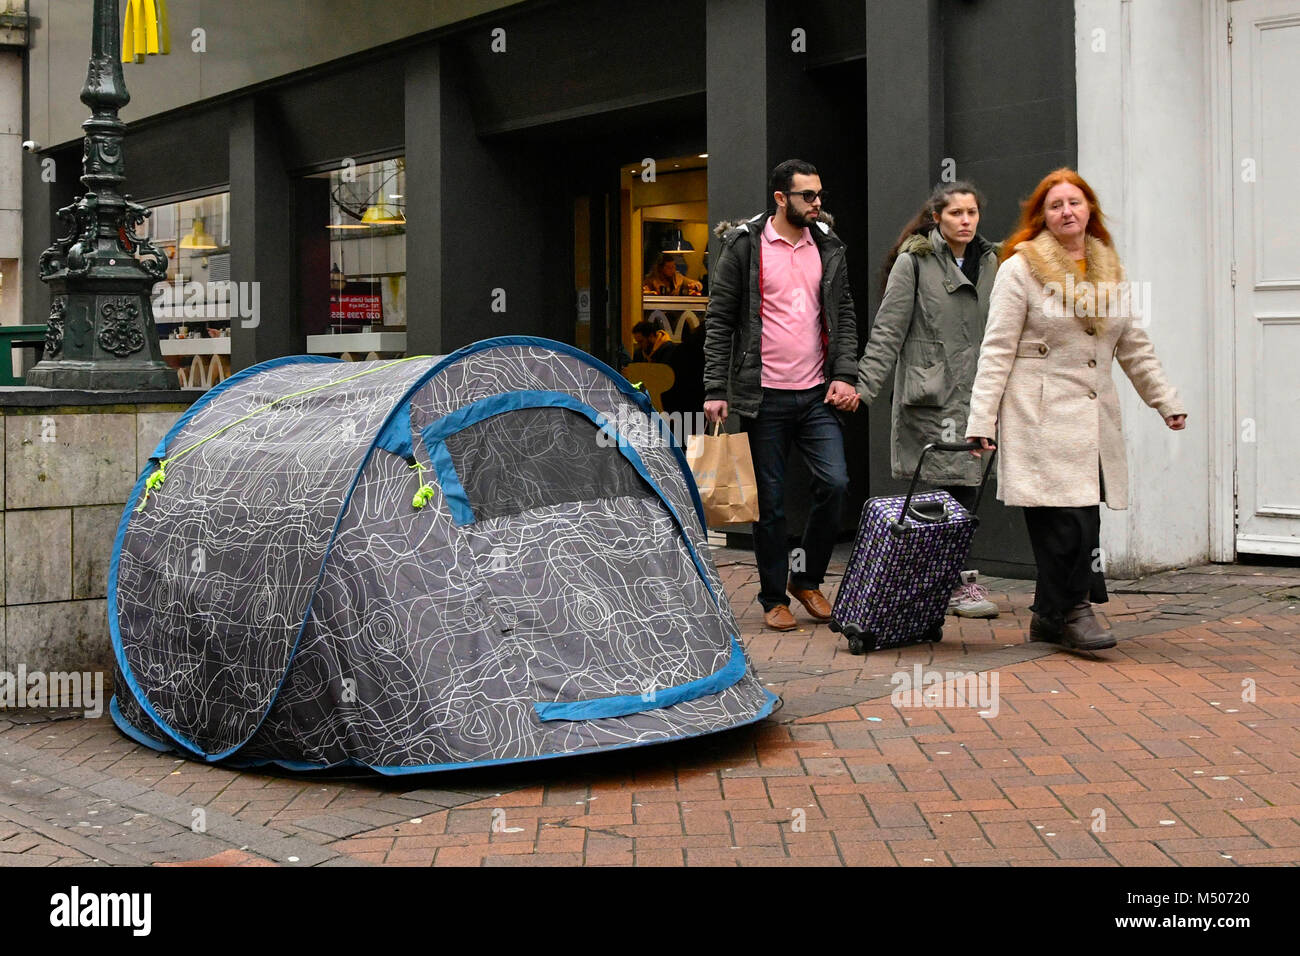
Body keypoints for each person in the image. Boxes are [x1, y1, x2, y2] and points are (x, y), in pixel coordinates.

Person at [965, 167, 1187, 651]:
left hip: (1092, 417)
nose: (1067, 211)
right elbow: (997, 346)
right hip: (1038, 414)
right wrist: (981, 419)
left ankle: (1049, 615)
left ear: (1090, 210)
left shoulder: (1108, 268)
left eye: (1075, 202)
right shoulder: (1020, 267)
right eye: (1056, 205)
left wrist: (1165, 400)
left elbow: (1133, 345)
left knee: (1084, 518)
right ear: (1041, 217)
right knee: (1064, 521)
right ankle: (1074, 612)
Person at [703, 158, 860, 632]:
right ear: (780, 198)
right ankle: (774, 596)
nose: (817, 204)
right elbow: (720, 318)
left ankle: (807, 579)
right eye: (807, 196)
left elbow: (844, 313)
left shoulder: (827, 245)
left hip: (817, 393)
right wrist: (716, 386)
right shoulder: (746, 246)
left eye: (819, 195)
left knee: (834, 484)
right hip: (762, 396)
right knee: (769, 502)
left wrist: (846, 374)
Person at [856, 181, 1001, 618]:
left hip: (976, 394)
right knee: (940, 488)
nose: (965, 220)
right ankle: (950, 582)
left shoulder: (993, 261)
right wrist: (863, 388)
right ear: (937, 217)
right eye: (956, 213)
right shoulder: (915, 262)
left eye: (972, 212)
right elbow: (888, 328)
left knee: (967, 489)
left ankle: (949, 581)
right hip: (932, 393)